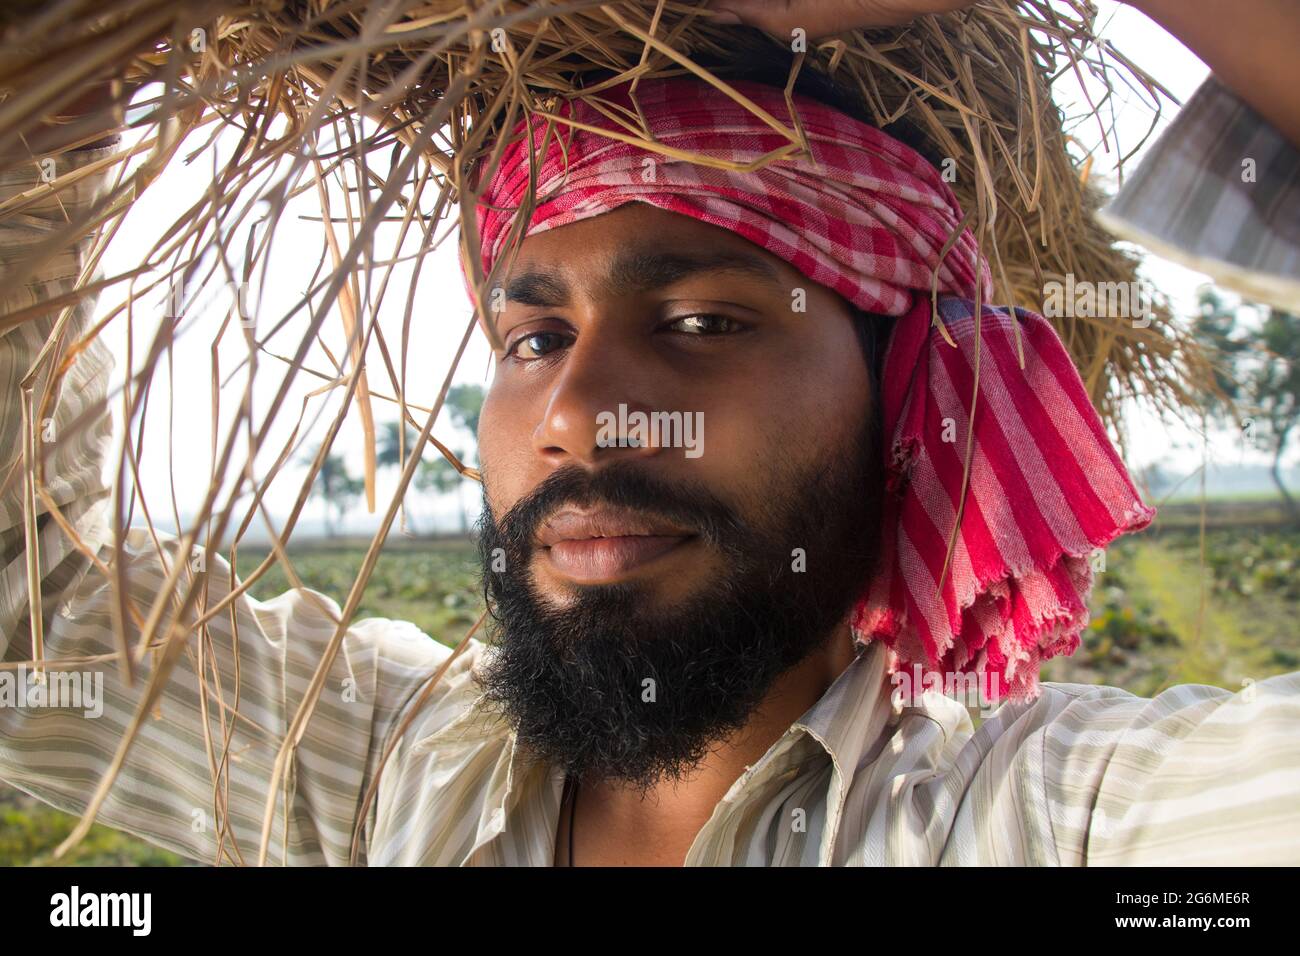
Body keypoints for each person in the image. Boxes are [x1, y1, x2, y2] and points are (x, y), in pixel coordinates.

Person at [0, 0, 1296, 867]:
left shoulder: (1063, 826)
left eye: (704, 322)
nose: (574, 415)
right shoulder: (391, 771)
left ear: (912, 401)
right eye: (533, 339)